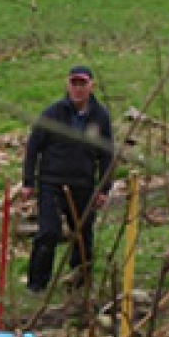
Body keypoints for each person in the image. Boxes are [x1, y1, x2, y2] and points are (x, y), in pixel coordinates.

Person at [21, 65, 114, 293]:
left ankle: (80, 282)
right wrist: (28, 182)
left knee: (83, 234)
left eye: (83, 84)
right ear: (67, 85)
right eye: (74, 83)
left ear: (91, 86)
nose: (78, 89)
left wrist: (104, 188)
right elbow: (33, 148)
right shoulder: (52, 114)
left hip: (84, 184)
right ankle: (37, 284)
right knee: (48, 232)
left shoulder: (100, 117)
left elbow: (107, 155)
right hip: (51, 183)